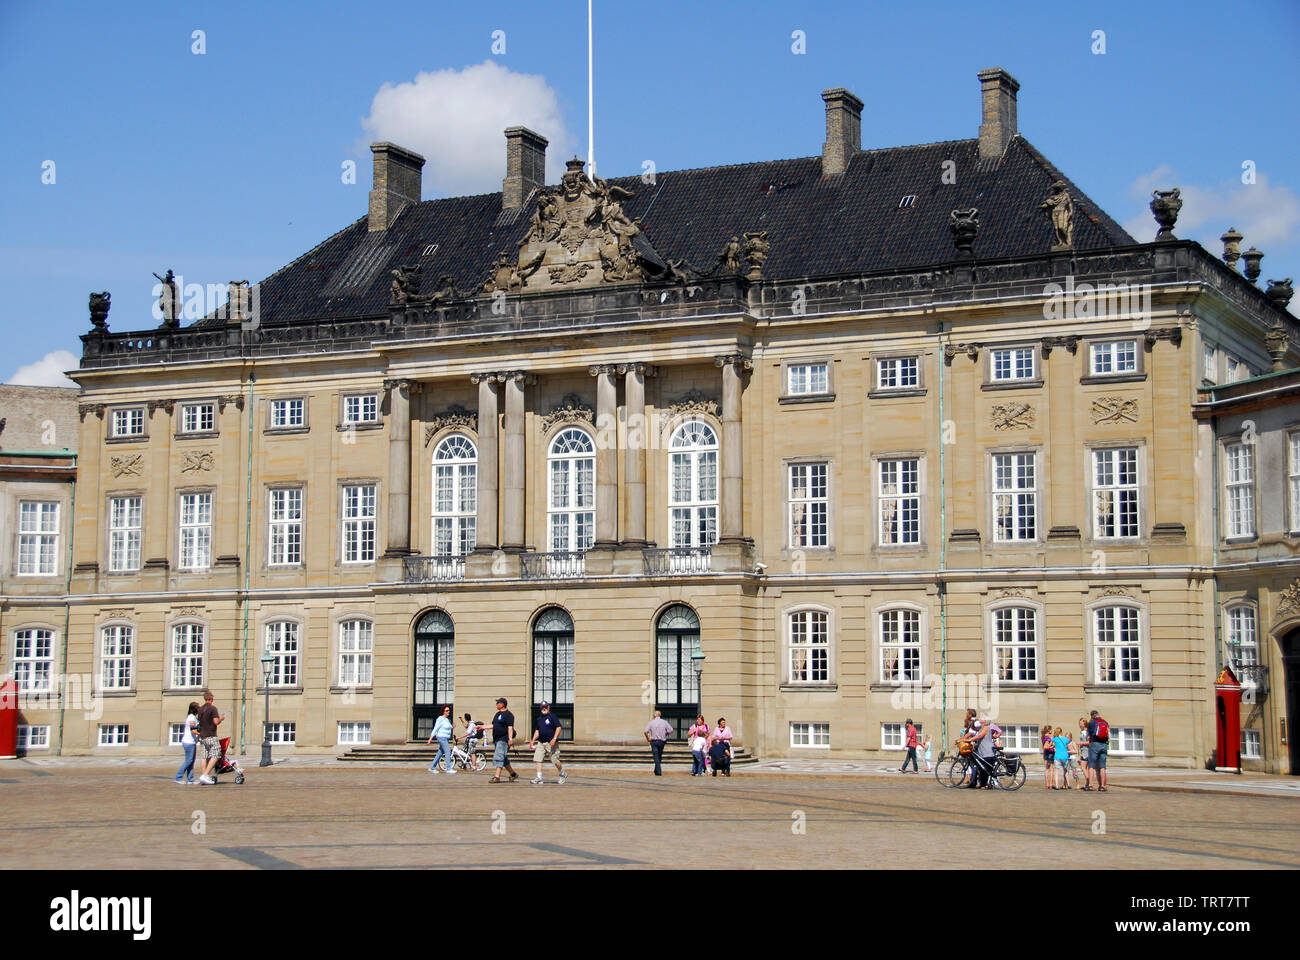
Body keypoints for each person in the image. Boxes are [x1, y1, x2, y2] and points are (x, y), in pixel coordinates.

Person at [527, 700, 566, 784]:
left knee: (555, 760)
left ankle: (562, 773)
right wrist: (533, 740)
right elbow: (537, 730)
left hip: (551, 743)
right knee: (538, 759)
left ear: (548, 707)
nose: (544, 708)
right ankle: (539, 777)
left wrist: (554, 738)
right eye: (542, 707)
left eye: (545, 707)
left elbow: (558, 727)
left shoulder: (552, 717)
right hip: (541, 742)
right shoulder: (539, 718)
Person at [196, 690, 226, 785]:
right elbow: (215, 722)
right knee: (216, 754)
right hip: (211, 735)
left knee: (204, 756)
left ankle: (204, 776)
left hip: (202, 736)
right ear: (211, 698)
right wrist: (221, 718)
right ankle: (205, 775)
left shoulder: (200, 709)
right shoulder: (213, 708)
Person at [488, 697, 518, 783]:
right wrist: (482, 727)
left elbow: (510, 728)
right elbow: (493, 725)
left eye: (498, 703)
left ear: (502, 704)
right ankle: (513, 774)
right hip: (497, 739)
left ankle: (497, 777)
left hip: (504, 739)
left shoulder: (509, 715)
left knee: (499, 756)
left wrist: (510, 739)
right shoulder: (497, 714)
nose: (496, 704)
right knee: (503, 758)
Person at [174, 701, 200, 784]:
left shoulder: (193, 717)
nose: (199, 709)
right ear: (194, 709)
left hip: (192, 742)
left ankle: (190, 778)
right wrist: (201, 734)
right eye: (198, 707)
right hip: (189, 742)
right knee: (188, 760)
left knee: (191, 761)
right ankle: (178, 777)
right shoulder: (191, 717)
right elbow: (193, 730)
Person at [1086, 709, 1110, 792]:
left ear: (1092, 716)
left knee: (1091, 766)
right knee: (1103, 767)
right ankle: (1103, 786)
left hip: (1095, 744)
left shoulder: (1092, 723)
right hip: (1104, 745)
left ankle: (1090, 785)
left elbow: (1088, 736)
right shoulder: (1105, 722)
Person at [427, 704, 455, 775]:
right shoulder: (440, 719)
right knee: (448, 751)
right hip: (441, 737)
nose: (448, 712)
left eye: (449, 710)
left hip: (446, 738)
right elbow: (435, 728)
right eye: (446, 710)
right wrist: (430, 738)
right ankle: (448, 768)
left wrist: (452, 727)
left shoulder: (447, 719)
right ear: (443, 711)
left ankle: (432, 767)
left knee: (440, 753)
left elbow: (448, 728)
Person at [644, 710, 673, 776]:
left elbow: (645, 731)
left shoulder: (651, 722)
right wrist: (666, 733)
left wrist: (648, 738)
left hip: (654, 741)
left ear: (654, 715)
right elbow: (671, 730)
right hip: (662, 741)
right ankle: (656, 771)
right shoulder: (664, 722)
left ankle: (658, 771)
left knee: (656, 756)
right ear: (660, 715)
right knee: (659, 756)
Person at [1077, 717, 1093, 790]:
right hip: (1083, 751)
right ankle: (1087, 783)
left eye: (1081, 723)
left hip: (1086, 752)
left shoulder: (1086, 732)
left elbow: (1089, 742)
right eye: (1079, 723)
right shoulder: (1082, 732)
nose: (1080, 724)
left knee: (1083, 767)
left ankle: (1088, 781)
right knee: (1085, 767)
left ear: (1085, 723)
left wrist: (1080, 743)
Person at [1041, 724, 1055, 790]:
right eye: (1051, 729)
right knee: (1051, 769)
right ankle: (1050, 784)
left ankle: (1047, 784)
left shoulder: (1043, 737)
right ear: (1049, 730)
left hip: (1046, 754)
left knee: (1047, 769)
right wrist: (1052, 746)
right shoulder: (1048, 738)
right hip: (1050, 753)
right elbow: (1045, 747)